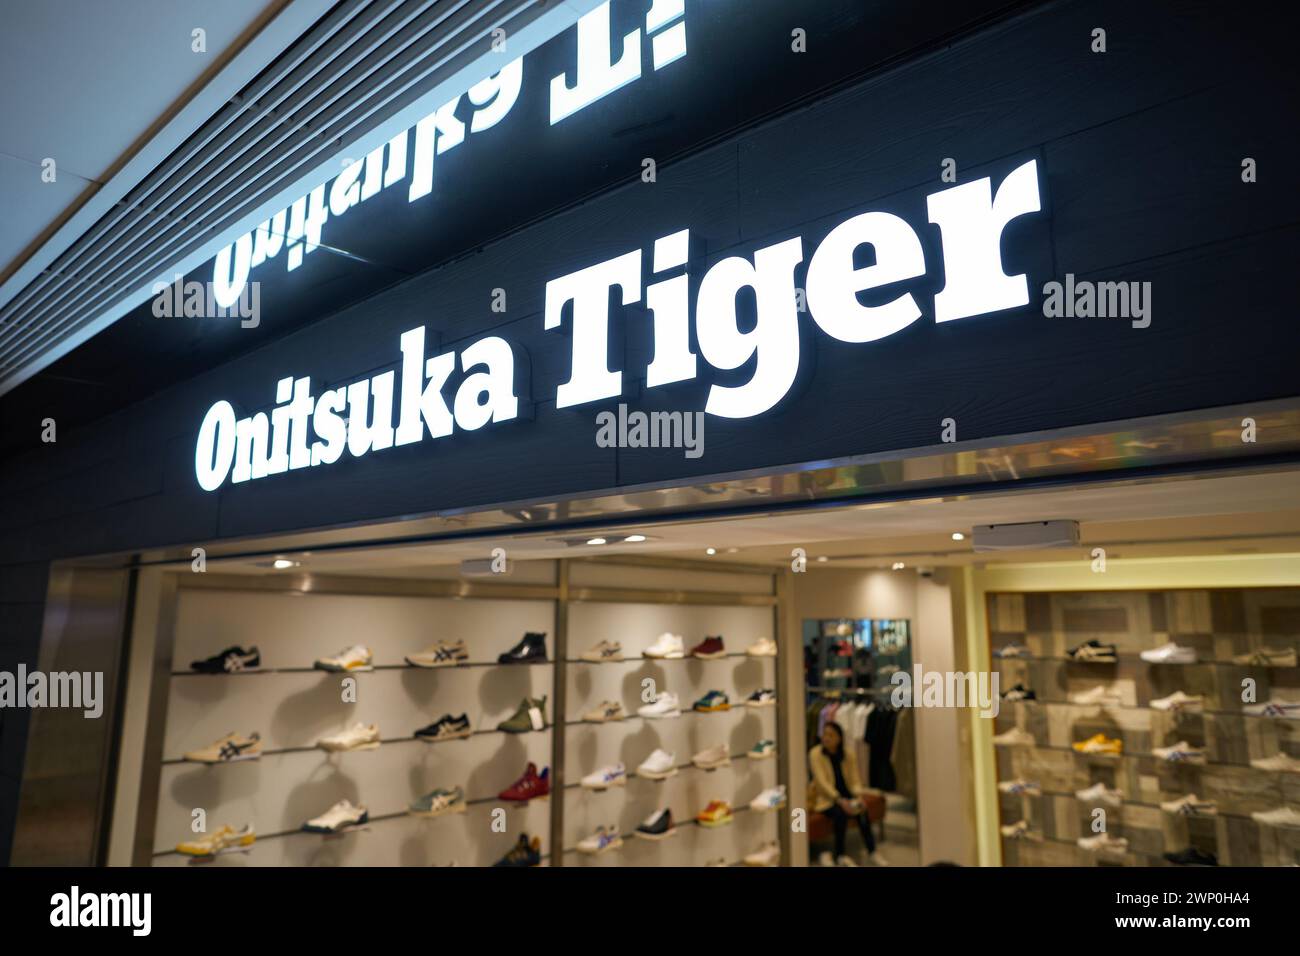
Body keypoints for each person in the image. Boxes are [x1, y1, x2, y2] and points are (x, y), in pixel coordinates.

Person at [809, 720, 888, 866]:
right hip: (827, 798)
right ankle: (840, 855)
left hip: (847, 795)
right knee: (841, 814)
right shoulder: (816, 754)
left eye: (831, 735)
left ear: (839, 738)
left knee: (862, 811)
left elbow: (855, 780)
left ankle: (872, 851)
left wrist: (859, 797)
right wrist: (840, 800)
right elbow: (821, 783)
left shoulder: (848, 754)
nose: (826, 738)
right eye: (825, 734)